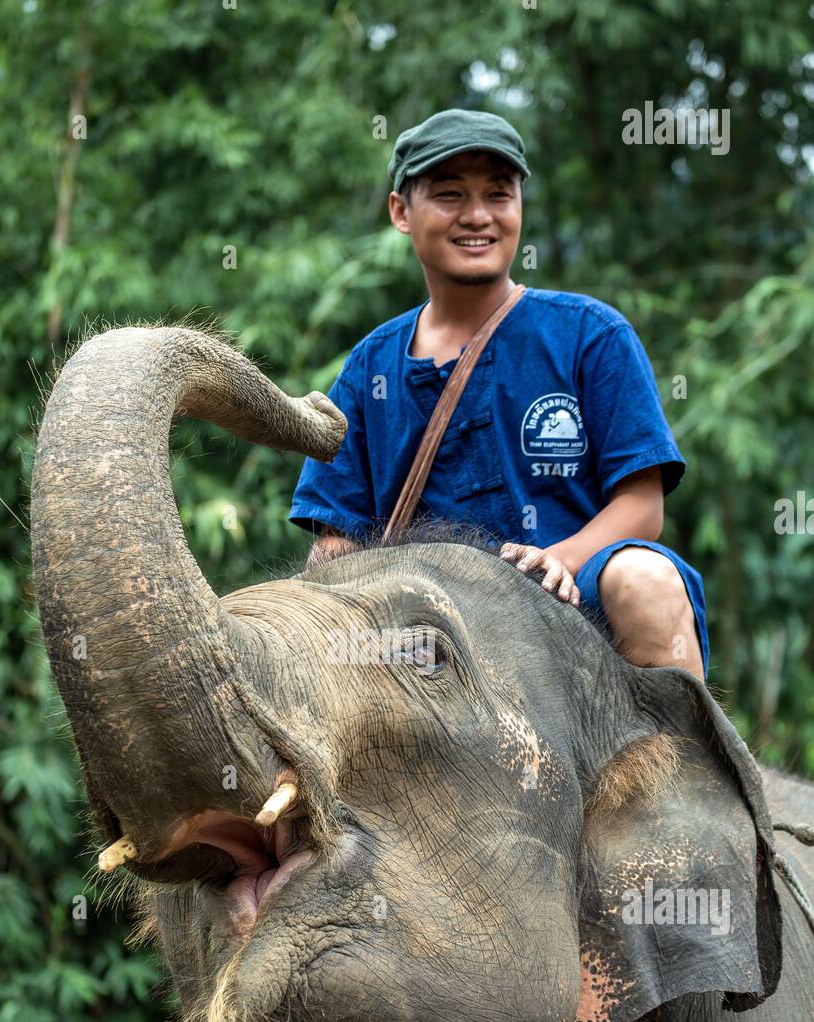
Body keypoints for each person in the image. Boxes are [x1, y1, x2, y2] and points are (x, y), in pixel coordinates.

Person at [289, 108, 708, 680]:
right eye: (451, 194)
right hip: (426, 639)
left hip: (572, 606)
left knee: (645, 578)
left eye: (498, 194)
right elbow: (335, 537)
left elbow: (643, 505)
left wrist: (563, 556)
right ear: (400, 212)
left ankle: (684, 768)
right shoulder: (368, 368)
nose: (478, 216)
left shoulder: (590, 335)